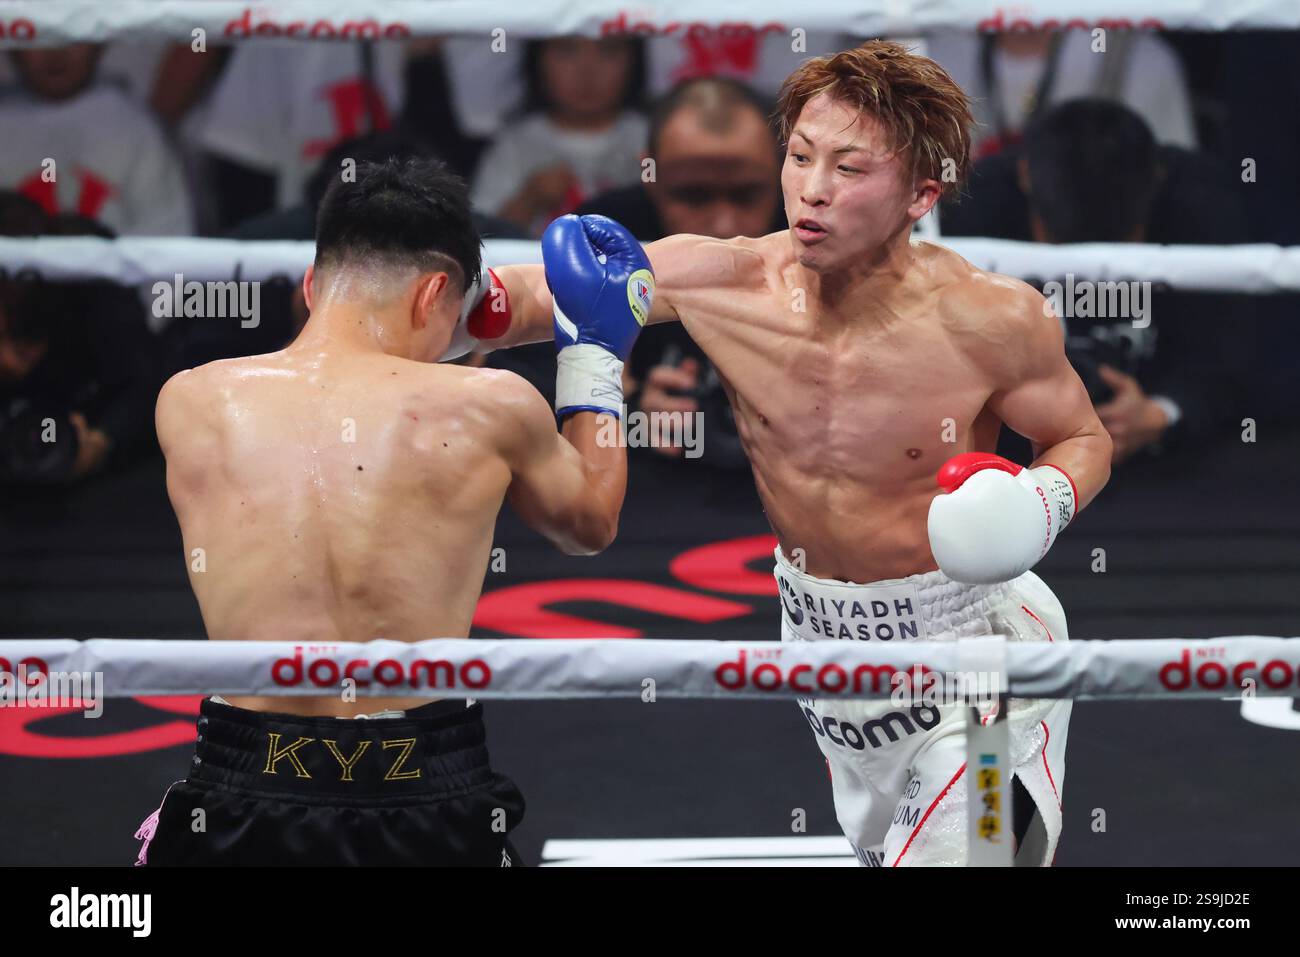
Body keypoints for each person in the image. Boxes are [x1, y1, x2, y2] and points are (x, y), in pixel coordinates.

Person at [475, 40, 1113, 866]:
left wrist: (1043, 501)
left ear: (923, 192)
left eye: (849, 169)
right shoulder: (725, 281)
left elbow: (1083, 436)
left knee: (978, 852)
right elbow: (516, 301)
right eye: (801, 157)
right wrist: (420, 298)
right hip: (825, 649)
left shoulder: (990, 319)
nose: (811, 190)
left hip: (978, 652)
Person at [138, 157, 651, 866]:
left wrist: (434, 332)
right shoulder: (489, 406)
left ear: (312, 284)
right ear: (436, 291)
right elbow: (590, 523)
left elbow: (351, 379)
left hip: (244, 775)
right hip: (421, 773)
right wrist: (594, 353)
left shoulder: (192, 401)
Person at [471, 36, 648, 236]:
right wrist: (529, 199)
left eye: (609, 50)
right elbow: (480, 238)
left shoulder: (649, 138)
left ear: (634, 60)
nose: (587, 71)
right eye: (567, 50)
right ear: (538, 59)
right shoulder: (514, 144)